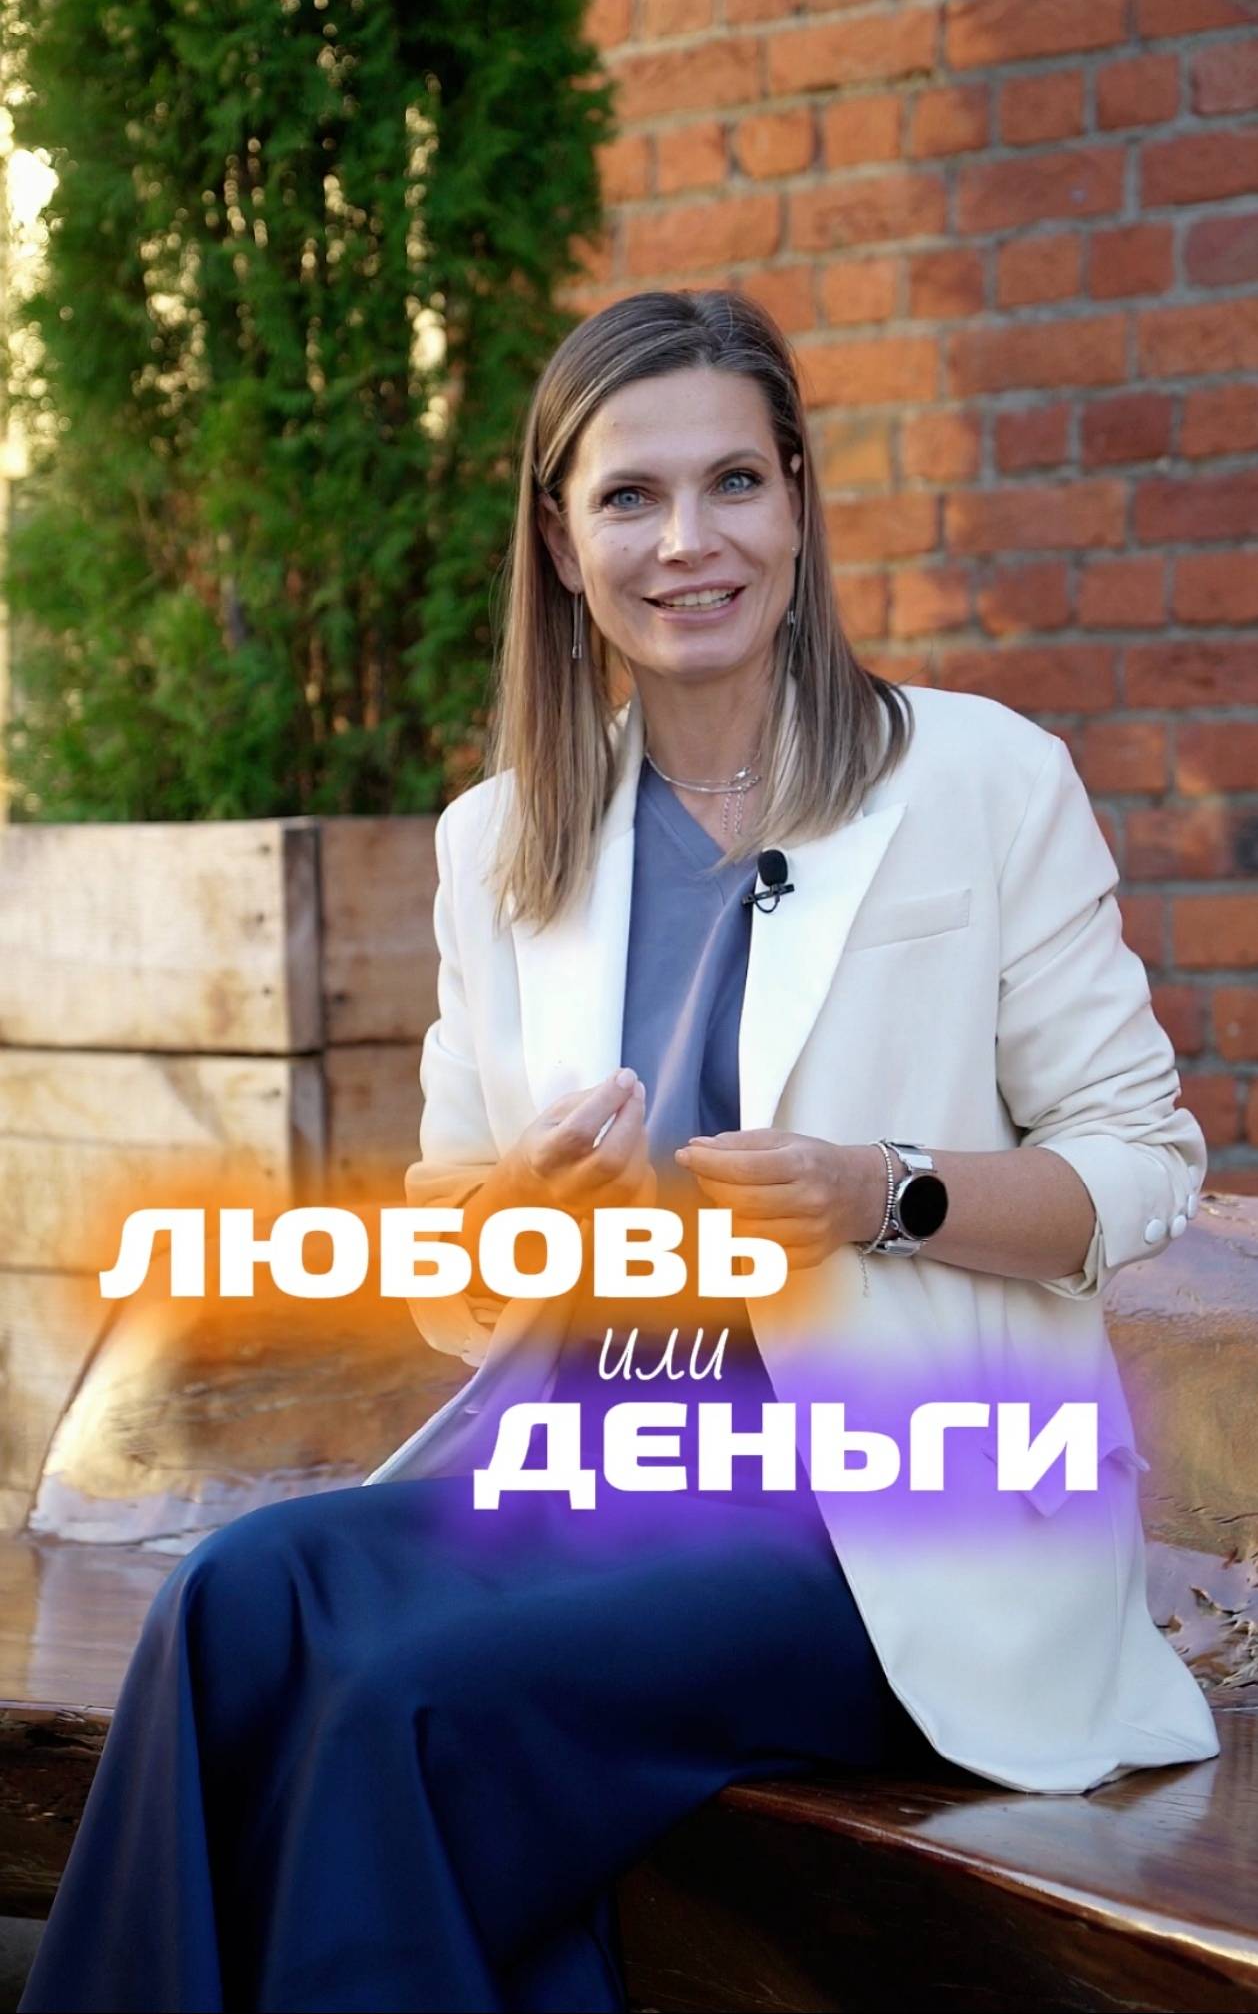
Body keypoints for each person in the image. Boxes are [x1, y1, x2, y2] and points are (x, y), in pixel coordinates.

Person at [20, 286, 1219, 2014]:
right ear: (559, 538)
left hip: (889, 1508)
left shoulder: (978, 778)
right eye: (629, 498)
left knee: (406, 1707)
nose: (686, 543)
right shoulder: (502, 839)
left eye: (732, 482)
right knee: (237, 1599)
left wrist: (883, 1192)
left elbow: (1137, 1165)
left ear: (795, 500)